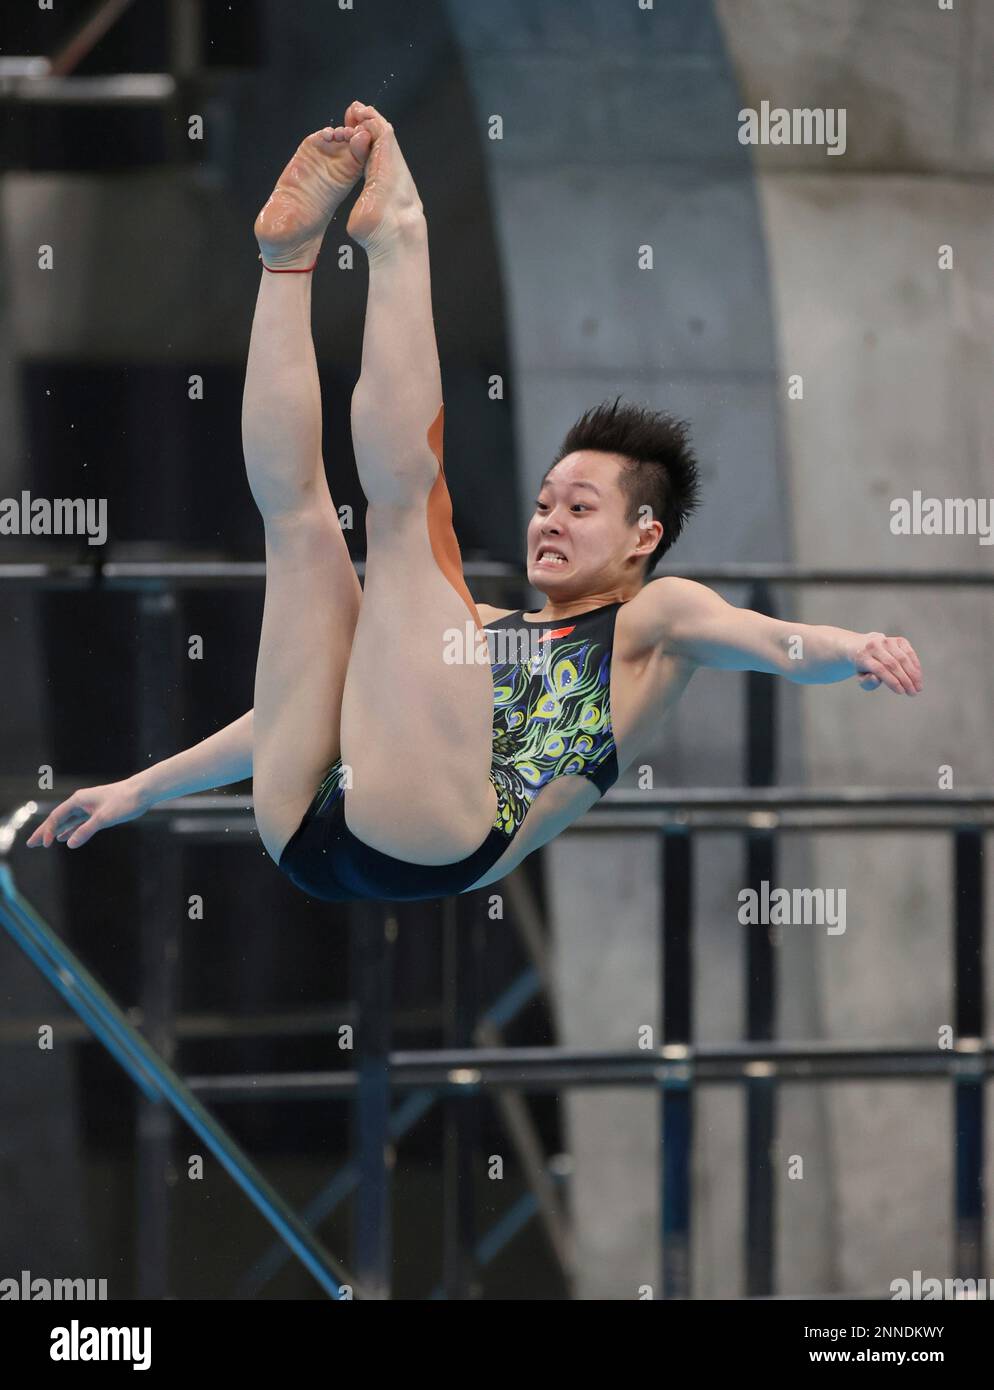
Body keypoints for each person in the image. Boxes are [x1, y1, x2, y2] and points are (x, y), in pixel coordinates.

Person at [26, 101, 923, 901]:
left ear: (645, 534)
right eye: (544, 504)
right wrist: (140, 788)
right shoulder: (475, 633)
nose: (548, 523)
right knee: (299, 520)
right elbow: (293, 716)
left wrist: (854, 647)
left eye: (580, 509)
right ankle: (287, 263)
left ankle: (402, 235)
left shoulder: (655, 621)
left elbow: (773, 644)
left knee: (410, 516)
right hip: (308, 822)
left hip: (433, 837)